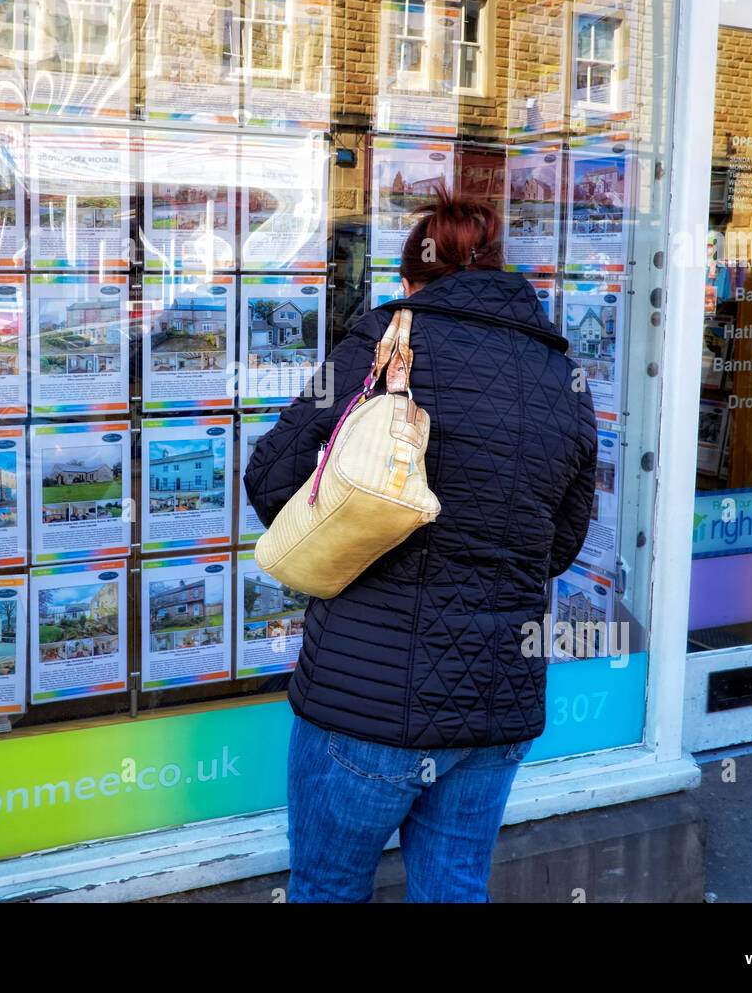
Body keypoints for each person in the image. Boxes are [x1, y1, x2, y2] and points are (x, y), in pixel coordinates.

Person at [243, 187, 597, 903]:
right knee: (454, 893)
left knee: (327, 890)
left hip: (363, 705)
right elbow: (561, 542)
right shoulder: (565, 373)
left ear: (410, 283)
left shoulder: (381, 341)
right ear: (500, 276)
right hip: (496, 706)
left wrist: (351, 531)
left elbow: (272, 474)